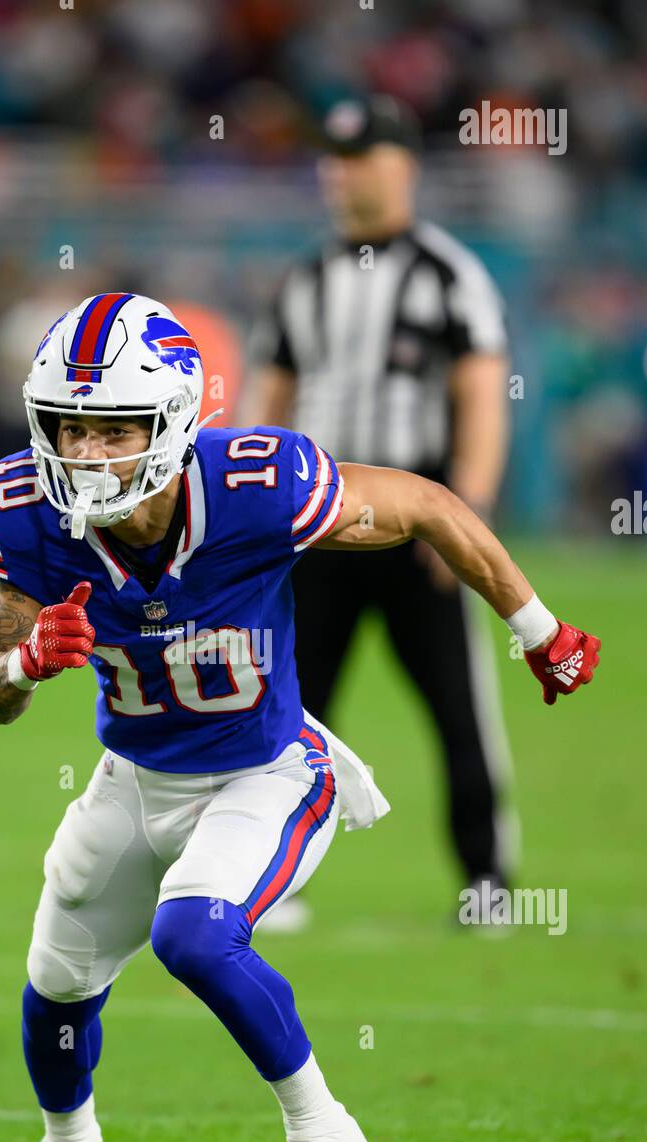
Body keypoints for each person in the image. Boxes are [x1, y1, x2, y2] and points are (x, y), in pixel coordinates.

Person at [0, 292, 599, 1142]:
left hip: (267, 767)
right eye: (69, 427)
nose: (86, 453)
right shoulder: (26, 517)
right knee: (54, 983)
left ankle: (323, 1131)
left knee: (195, 935)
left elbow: (423, 503)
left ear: (171, 423)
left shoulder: (257, 485)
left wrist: (536, 629)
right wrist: (21, 662)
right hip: (134, 776)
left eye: (112, 429)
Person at [245, 96, 515, 930]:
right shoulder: (304, 279)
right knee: (289, 705)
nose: (342, 173)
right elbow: (271, 401)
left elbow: (481, 393)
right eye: (332, 158)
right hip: (319, 515)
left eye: (359, 157)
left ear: (402, 166)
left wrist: (464, 510)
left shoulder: (448, 273)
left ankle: (488, 879)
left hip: (415, 515)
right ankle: (275, 876)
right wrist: (256, 516)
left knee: (455, 700)